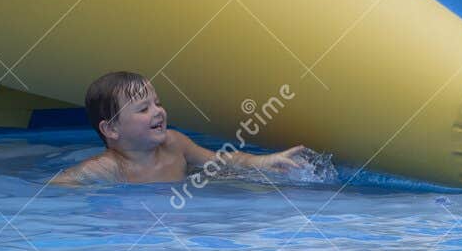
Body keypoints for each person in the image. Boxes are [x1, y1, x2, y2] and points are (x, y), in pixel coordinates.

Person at [50, 71, 310, 185]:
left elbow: (221, 161)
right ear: (112, 129)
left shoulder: (174, 144)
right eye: (143, 109)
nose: (158, 111)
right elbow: (60, 184)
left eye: (158, 103)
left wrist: (263, 162)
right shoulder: (109, 168)